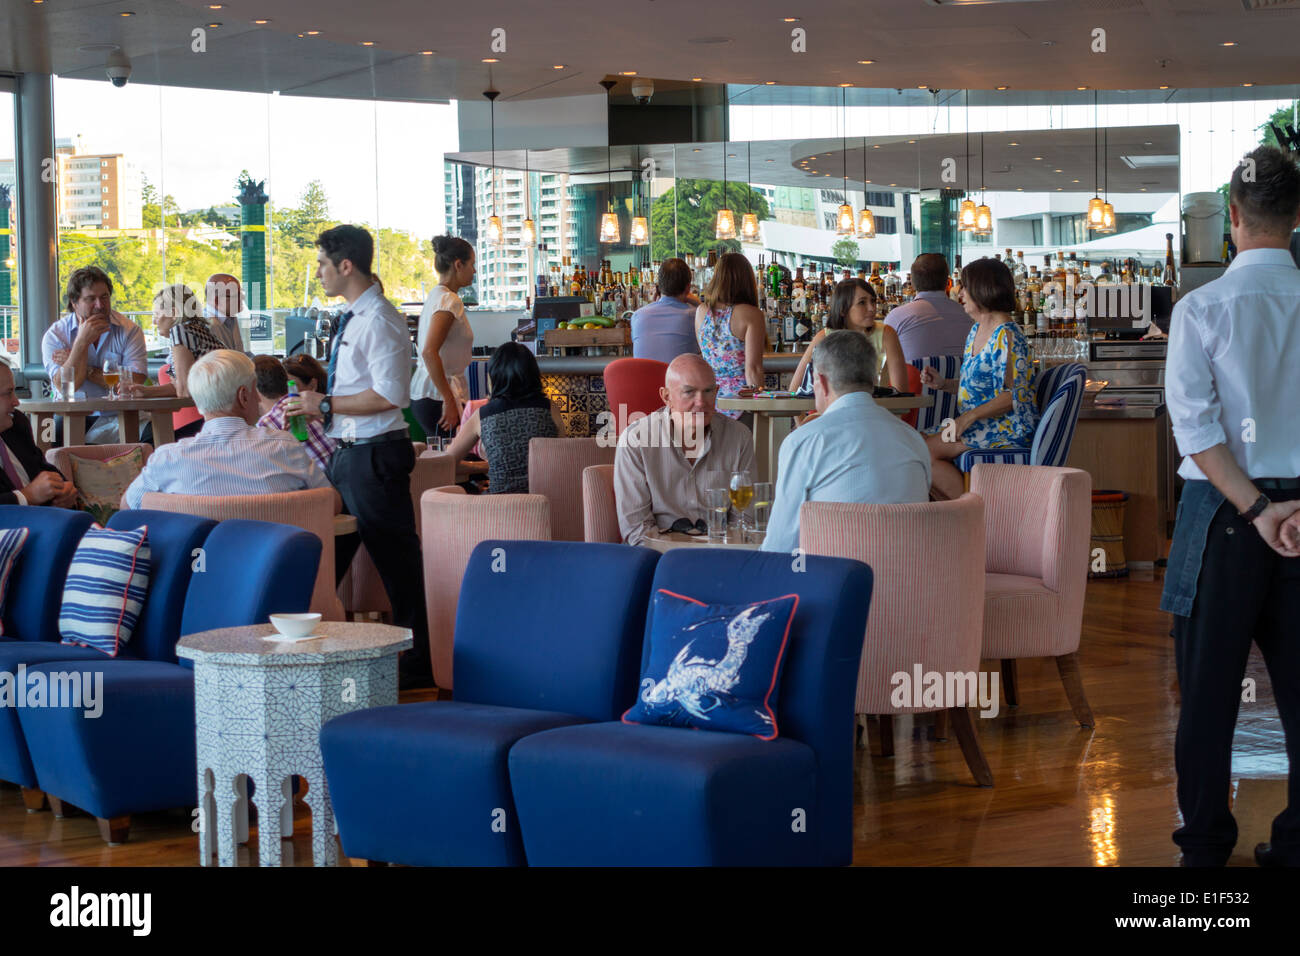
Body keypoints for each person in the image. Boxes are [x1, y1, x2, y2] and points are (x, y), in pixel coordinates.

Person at [1160, 144, 1300, 868]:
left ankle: (1206, 847)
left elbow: (1196, 430)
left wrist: (1255, 511)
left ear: (1234, 220)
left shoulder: (1200, 308)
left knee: (1209, 690)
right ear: (1297, 216)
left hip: (1217, 514)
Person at [288, 224, 431, 689]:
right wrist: (321, 407)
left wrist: (324, 404)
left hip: (374, 457)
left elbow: (392, 397)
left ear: (345, 266)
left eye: (323, 264)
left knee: (398, 567)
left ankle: (418, 666)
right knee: (324, 557)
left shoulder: (381, 319)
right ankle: (307, 651)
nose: (319, 272)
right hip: (349, 454)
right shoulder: (354, 316)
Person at [761, 330, 930, 555]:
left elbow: (781, 546)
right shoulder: (913, 439)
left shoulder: (804, 442)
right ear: (874, 380)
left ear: (820, 381)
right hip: (914, 585)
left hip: (836, 585)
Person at [123, 350, 337, 511]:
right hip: (275, 566)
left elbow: (127, 506)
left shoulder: (167, 459)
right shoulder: (285, 446)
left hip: (197, 566)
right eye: (256, 391)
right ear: (244, 396)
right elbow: (332, 503)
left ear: (199, 404)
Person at [921, 258, 1039, 501]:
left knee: (924, 451)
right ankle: (955, 514)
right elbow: (976, 387)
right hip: (979, 424)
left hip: (1006, 427)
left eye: (965, 287)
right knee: (914, 441)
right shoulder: (976, 330)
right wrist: (943, 383)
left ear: (983, 288)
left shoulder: (1007, 336)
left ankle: (969, 514)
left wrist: (967, 419)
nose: (959, 293)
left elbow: (1011, 397)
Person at [613, 353, 756, 547]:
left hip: (720, 556)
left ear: (717, 392)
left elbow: (744, 519)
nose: (701, 402)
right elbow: (637, 530)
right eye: (689, 392)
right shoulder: (635, 440)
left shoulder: (739, 437)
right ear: (666, 397)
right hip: (658, 559)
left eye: (708, 391)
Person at [42, 266, 147, 441]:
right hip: (72, 416)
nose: (100, 305)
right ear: (74, 303)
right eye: (91, 299)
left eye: (104, 297)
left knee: (154, 437)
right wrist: (81, 342)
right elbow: (67, 386)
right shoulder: (56, 335)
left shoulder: (129, 330)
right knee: (48, 434)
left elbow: (134, 382)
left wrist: (87, 369)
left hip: (121, 415)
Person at [443, 343, 561, 494]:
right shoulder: (550, 408)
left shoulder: (483, 415)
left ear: (493, 377)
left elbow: (446, 463)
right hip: (544, 501)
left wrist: (486, 466)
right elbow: (560, 459)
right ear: (534, 375)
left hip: (498, 506)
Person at [121, 283, 227, 442]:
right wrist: (145, 391)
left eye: (156, 314)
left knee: (148, 444)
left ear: (173, 312)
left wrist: (176, 384)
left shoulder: (180, 331)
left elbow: (184, 390)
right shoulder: (196, 328)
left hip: (217, 419)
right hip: (227, 416)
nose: (154, 322)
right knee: (150, 438)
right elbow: (183, 384)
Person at [790, 278, 909, 395]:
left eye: (873, 301)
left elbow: (901, 393)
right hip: (835, 413)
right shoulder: (825, 337)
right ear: (843, 309)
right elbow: (794, 390)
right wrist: (809, 416)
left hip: (875, 411)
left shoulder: (886, 334)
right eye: (862, 302)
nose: (872, 308)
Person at [411, 235, 475, 440]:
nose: (474, 270)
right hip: (438, 394)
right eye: (472, 264)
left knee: (447, 459)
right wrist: (448, 399)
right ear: (458, 265)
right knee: (452, 461)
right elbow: (429, 352)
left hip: (429, 392)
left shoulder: (436, 295)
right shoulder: (449, 300)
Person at [695, 252, 766, 419]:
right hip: (741, 404)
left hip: (710, 402)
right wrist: (762, 409)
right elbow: (753, 369)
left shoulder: (701, 311)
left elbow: (707, 356)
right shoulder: (751, 314)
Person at [0, 362, 78, 508]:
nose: (16, 402)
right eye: (9, 392)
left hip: (50, 522)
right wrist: (26, 497)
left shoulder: (16, 424)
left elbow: (41, 467)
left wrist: (65, 490)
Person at [884, 253, 975, 363]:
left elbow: (882, 357)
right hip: (959, 379)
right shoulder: (968, 315)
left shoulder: (896, 317)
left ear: (912, 282)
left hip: (913, 379)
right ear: (947, 281)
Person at [253, 355, 338, 473]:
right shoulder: (308, 405)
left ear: (254, 389)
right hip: (345, 477)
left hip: (323, 487)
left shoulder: (265, 426)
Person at [631, 258, 701, 364]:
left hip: (644, 380)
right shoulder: (695, 316)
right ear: (688, 288)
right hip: (679, 380)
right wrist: (699, 303)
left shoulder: (637, 316)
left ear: (658, 288)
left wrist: (652, 305)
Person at [205, 273, 248, 354]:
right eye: (236, 295)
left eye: (241, 293)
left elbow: (239, 354)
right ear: (217, 301)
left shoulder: (230, 317)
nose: (242, 298)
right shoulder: (205, 326)